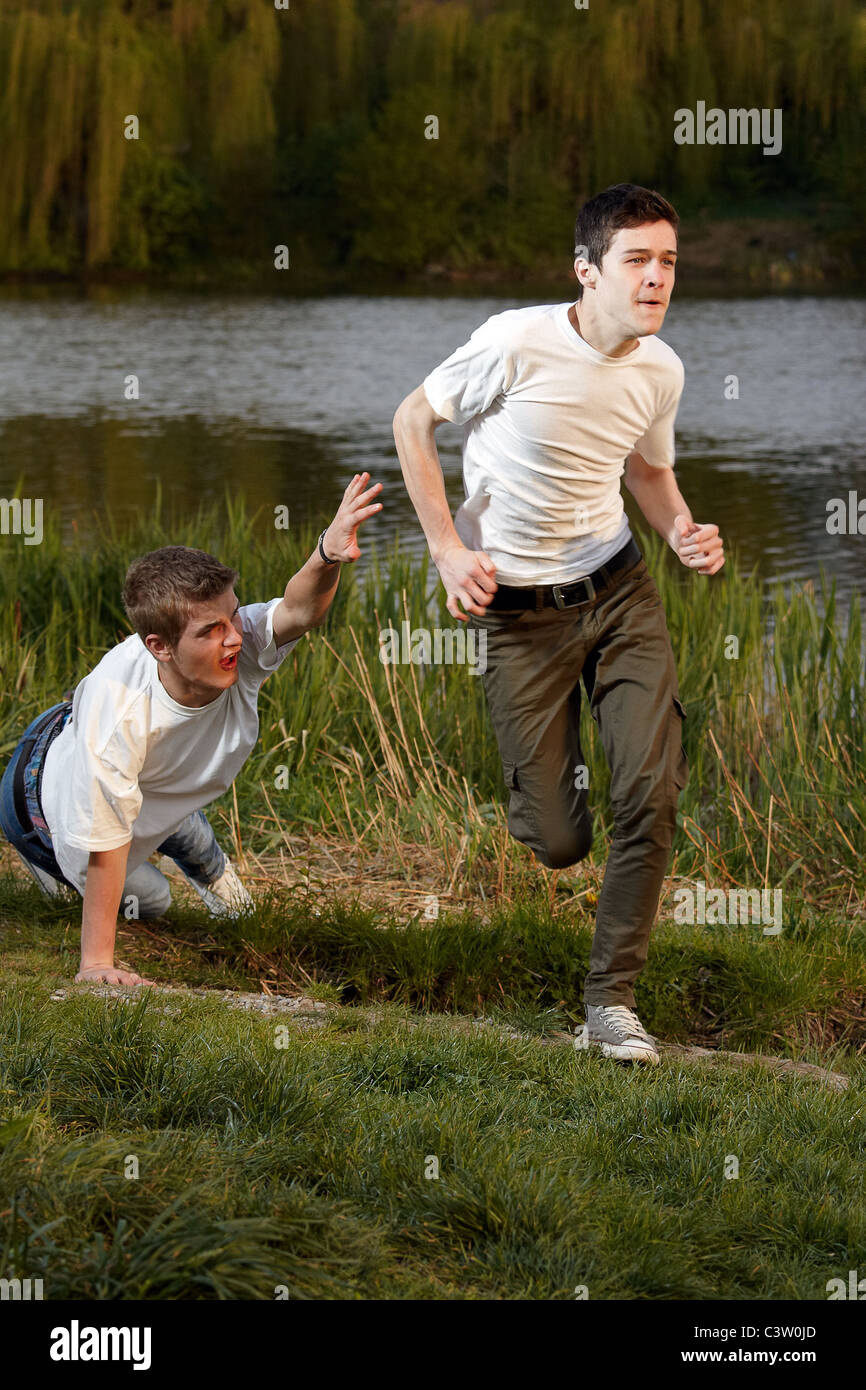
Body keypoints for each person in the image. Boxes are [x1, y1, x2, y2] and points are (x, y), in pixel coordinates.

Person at [393, 183, 725, 1065]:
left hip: (620, 592)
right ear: (587, 271)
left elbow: (649, 472)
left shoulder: (663, 369)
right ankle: (548, 806)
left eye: (669, 262)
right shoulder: (515, 342)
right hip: (518, 614)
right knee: (559, 840)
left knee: (648, 795)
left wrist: (682, 533)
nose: (658, 280)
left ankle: (610, 1005)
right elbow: (412, 421)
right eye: (638, 261)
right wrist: (445, 552)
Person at [0, 473, 383, 987]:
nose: (233, 638)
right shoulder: (120, 720)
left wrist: (327, 554)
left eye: (231, 616)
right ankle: (48, 873)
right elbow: (107, 846)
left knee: (184, 826)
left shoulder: (235, 642)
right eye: (211, 630)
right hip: (35, 807)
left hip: (96, 749)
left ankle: (220, 890)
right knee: (152, 901)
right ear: (159, 645)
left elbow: (299, 610)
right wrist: (96, 965)